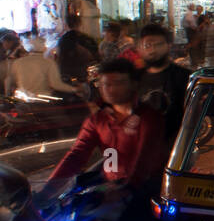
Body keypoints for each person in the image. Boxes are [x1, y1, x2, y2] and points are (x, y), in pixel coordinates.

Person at [37, 58, 168, 203]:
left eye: (118, 83)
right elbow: (77, 155)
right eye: (105, 84)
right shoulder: (97, 120)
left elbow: (145, 159)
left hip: (145, 192)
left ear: (134, 84)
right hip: (110, 189)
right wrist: (46, 192)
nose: (110, 89)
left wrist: (126, 189)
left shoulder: (148, 118)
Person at [137, 24, 191, 140]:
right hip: (142, 144)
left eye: (158, 44)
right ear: (140, 48)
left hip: (175, 144)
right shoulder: (135, 77)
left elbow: (209, 105)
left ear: (168, 46)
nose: (153, 50)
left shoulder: (183, 76)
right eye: (147, 45)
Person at [6, 35, 77, 98]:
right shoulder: (49, 63)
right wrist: (75, 89)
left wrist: (8, 95)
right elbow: (56, 84)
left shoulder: (18, 62)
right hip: (43, 100)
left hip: (22, 101)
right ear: (43, 48)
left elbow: (9, 81)